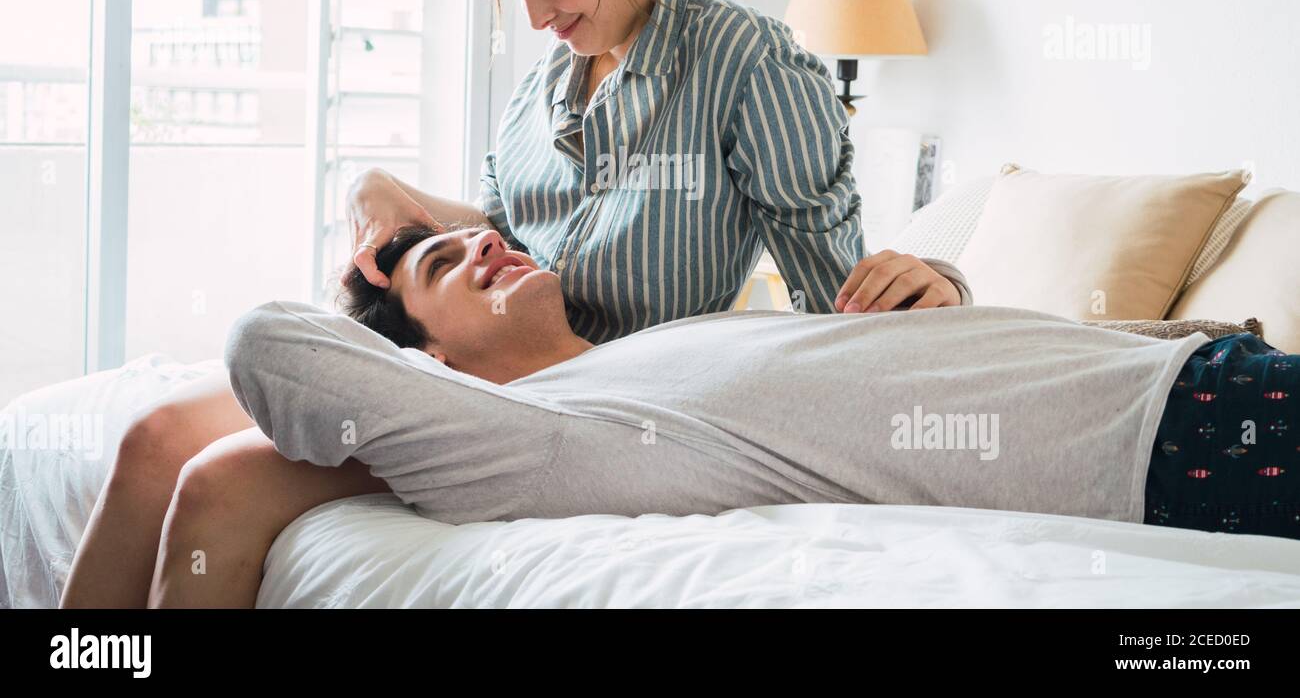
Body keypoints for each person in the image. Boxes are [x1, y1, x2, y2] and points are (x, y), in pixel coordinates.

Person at [61, 0, 971, 609]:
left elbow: (839, 301)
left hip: (586, 402)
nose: (536, 16)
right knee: (149, 440)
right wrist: (381, 186)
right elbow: (507, 231)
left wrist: (938, 284)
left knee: (220, 485)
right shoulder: (547, 83)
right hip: (473, 367)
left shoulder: (747, 63)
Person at [226, 224, 1300, 542]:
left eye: (480, 230)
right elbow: (268, 346)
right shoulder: (541, 434)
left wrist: (938, 276)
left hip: (1188, 365)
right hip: (1173, 442)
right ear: (426, 362)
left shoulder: (661, 340)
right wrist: (380, 204)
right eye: (442, 265)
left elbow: (892, 364)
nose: (484, 243)